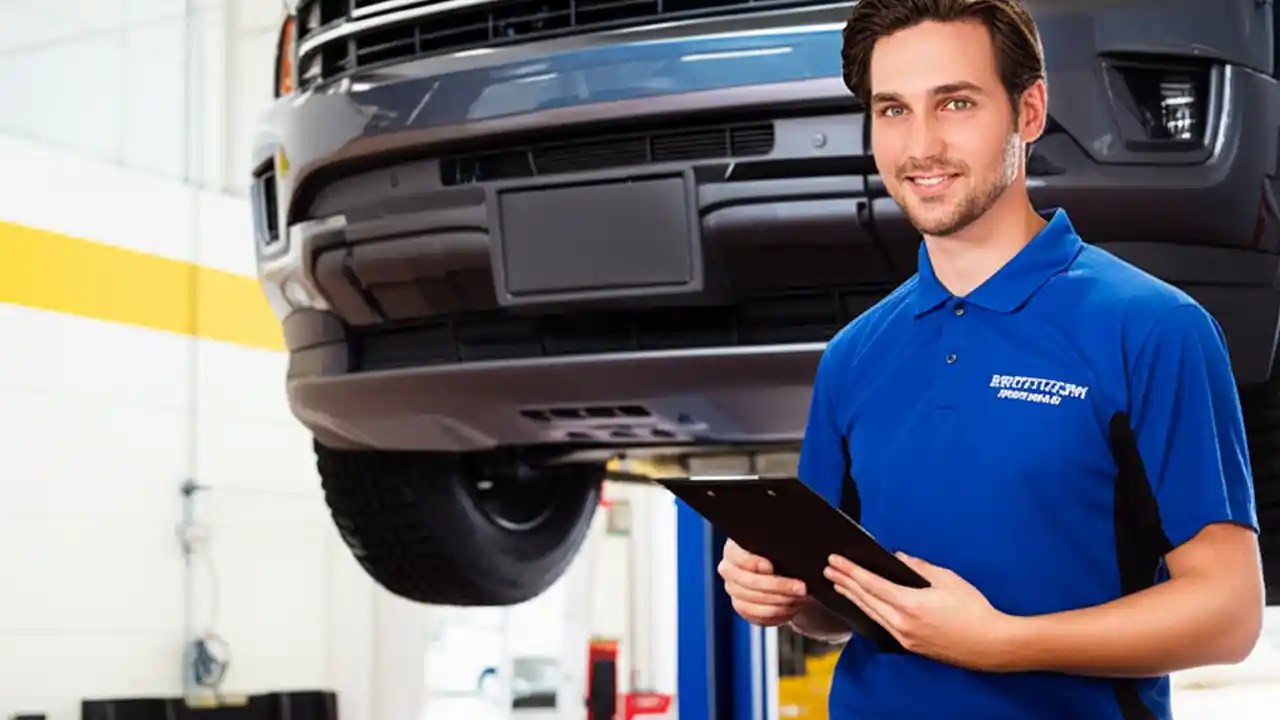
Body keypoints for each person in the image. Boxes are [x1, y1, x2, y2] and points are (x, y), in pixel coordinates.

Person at [715, 0, 1265, 718]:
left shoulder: (1153, 328)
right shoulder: (854, 356)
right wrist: (781, 591)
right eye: (893, 110)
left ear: (1028, 112)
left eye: (956, 103)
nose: (921, 146)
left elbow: (1228, 612)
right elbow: (838, 602)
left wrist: (1001, 643)